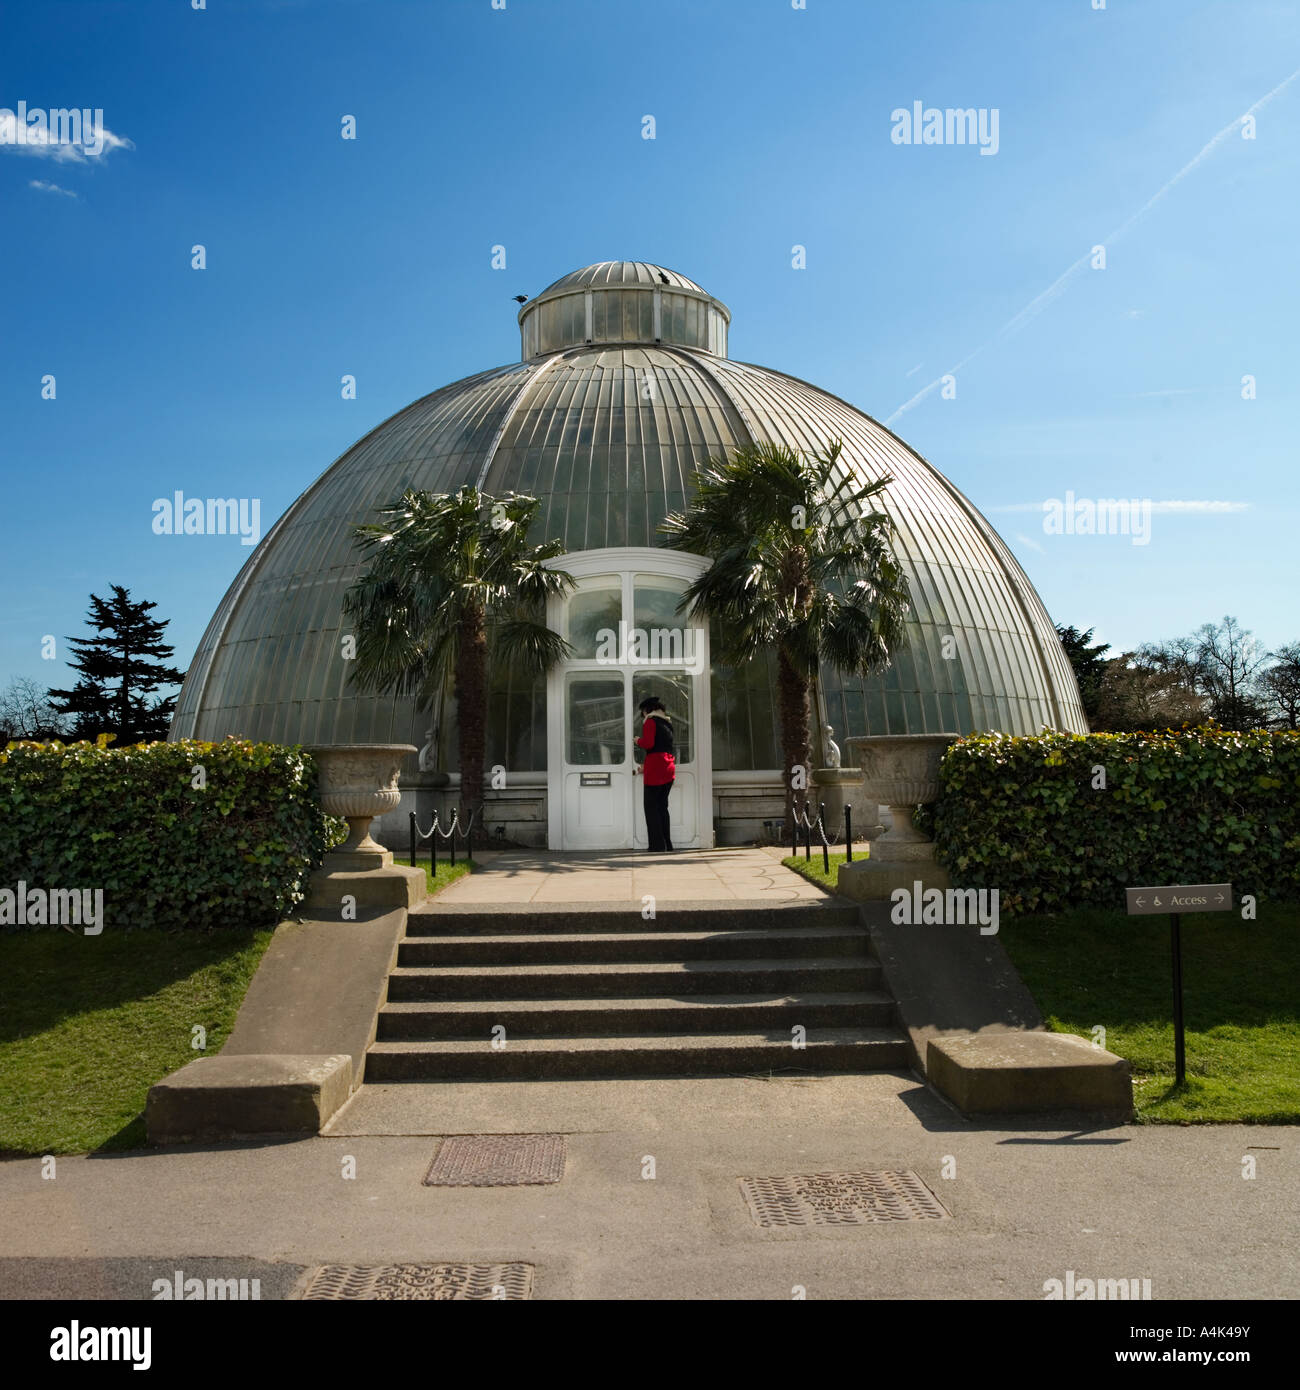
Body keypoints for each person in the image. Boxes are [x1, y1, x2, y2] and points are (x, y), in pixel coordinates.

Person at [635, 695, 675, 852]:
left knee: (651, 808)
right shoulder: (667, 723)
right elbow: (660, 748)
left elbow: (649, 744)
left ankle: (657, 846)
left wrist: (637, 740)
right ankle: (667, 844)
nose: (643, 716)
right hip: (668, 767)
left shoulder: (650, 721)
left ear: (646, 710)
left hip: (656, 771)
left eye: (642, 713)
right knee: (662, 807)